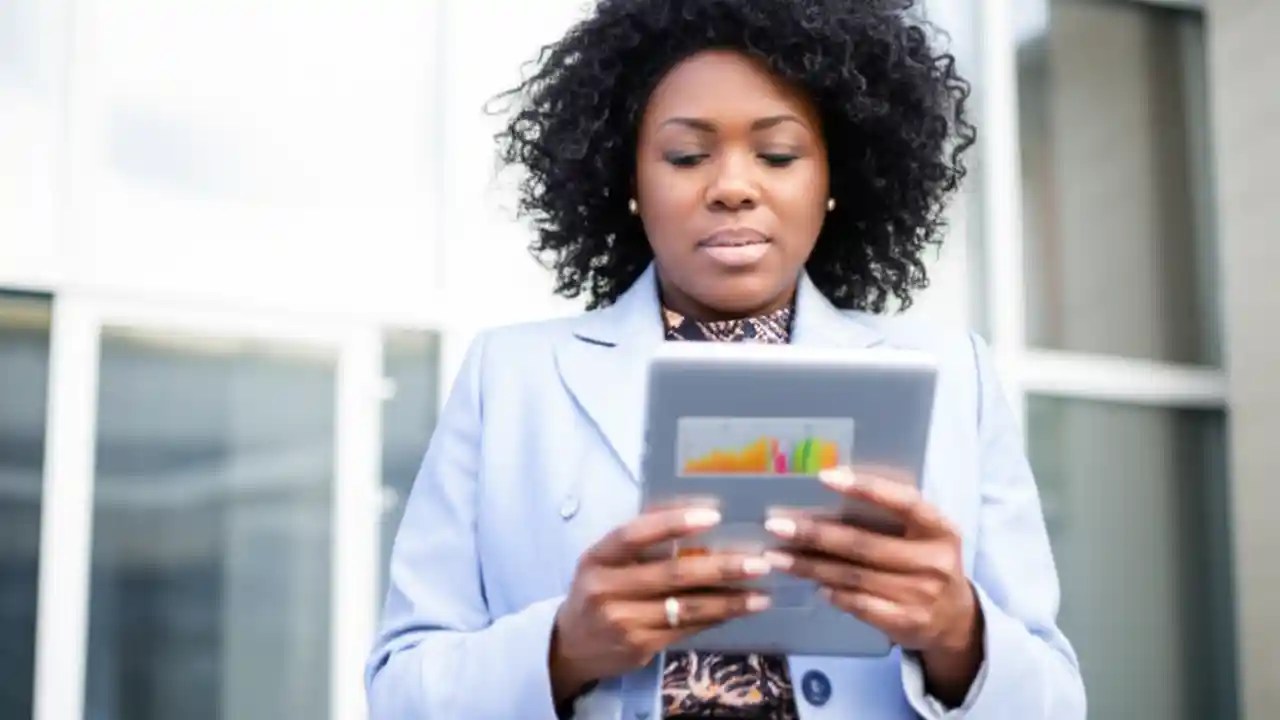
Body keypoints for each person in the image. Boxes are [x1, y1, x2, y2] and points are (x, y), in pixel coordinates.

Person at [365, 0, 1086, 717]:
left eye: (777, 155)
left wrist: (960, 635)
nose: (733, 187)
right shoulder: (510, 378)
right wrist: (564, 646)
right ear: (629, 180)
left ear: (835, 178)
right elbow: (399, 690)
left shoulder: (954, 376)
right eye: (686, 156)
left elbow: (1058, 701)